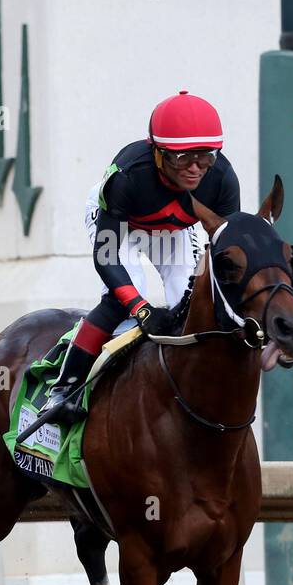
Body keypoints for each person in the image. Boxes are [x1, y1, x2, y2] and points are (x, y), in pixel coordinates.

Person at [35, 91, 241, 426]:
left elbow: (228, 248)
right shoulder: (128, 175)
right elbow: (106, 257)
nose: (194, 169)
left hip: (174, 227)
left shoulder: (223, 178)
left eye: (205, 157)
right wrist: (140, 308)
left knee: (190, 303)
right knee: (121, 299)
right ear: (158, 154)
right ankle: (65, 387)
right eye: (181, 158)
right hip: (122, 225)